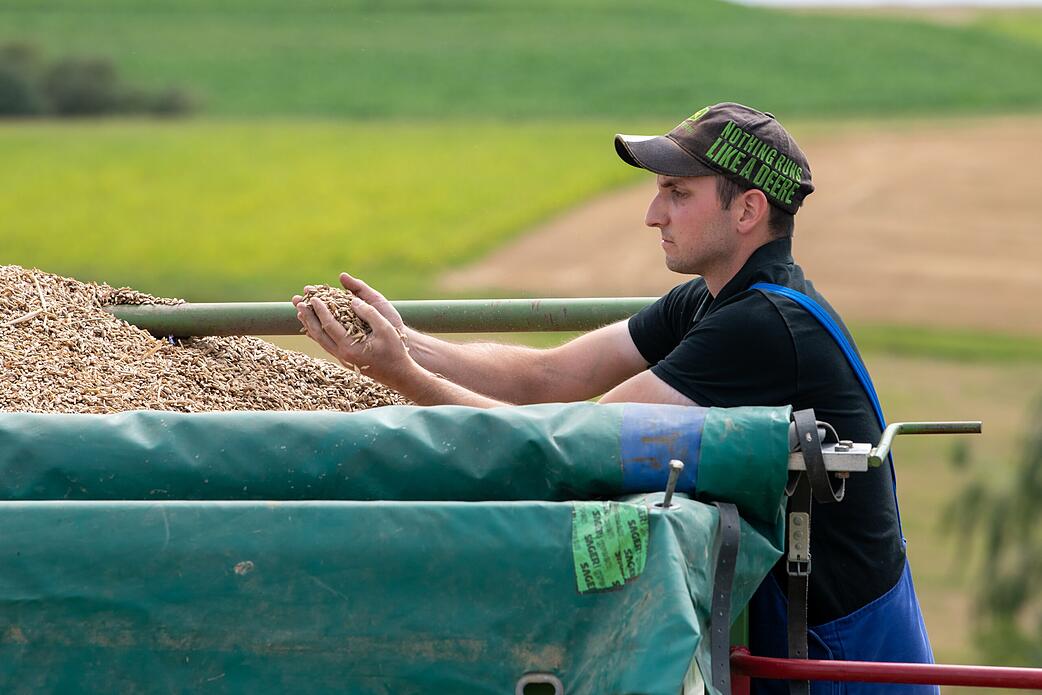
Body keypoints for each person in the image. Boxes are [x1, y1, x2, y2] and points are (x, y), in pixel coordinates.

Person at [293, 102, 936, 693]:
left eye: (677, 194)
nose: (653, 214)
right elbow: (549, 378)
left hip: (842, 664)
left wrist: (401, 375)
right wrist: (405, 341)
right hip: (808, 641)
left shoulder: (761, 327)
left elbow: (580, 443)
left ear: (747, 211)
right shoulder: (716, 299)